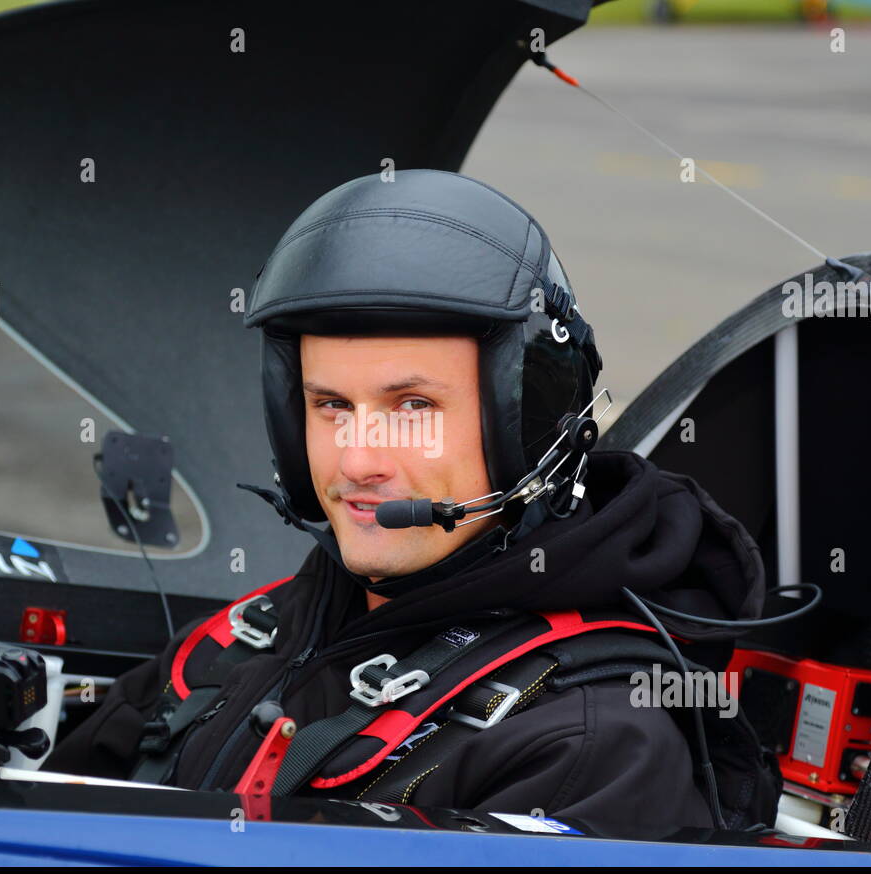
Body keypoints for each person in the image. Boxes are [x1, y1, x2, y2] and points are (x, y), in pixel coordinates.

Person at [44, 169, 781, 830]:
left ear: (526, 426)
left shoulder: (586, 742)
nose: (358, 460)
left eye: (413, 407)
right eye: (330, 405)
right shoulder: (258, 632)